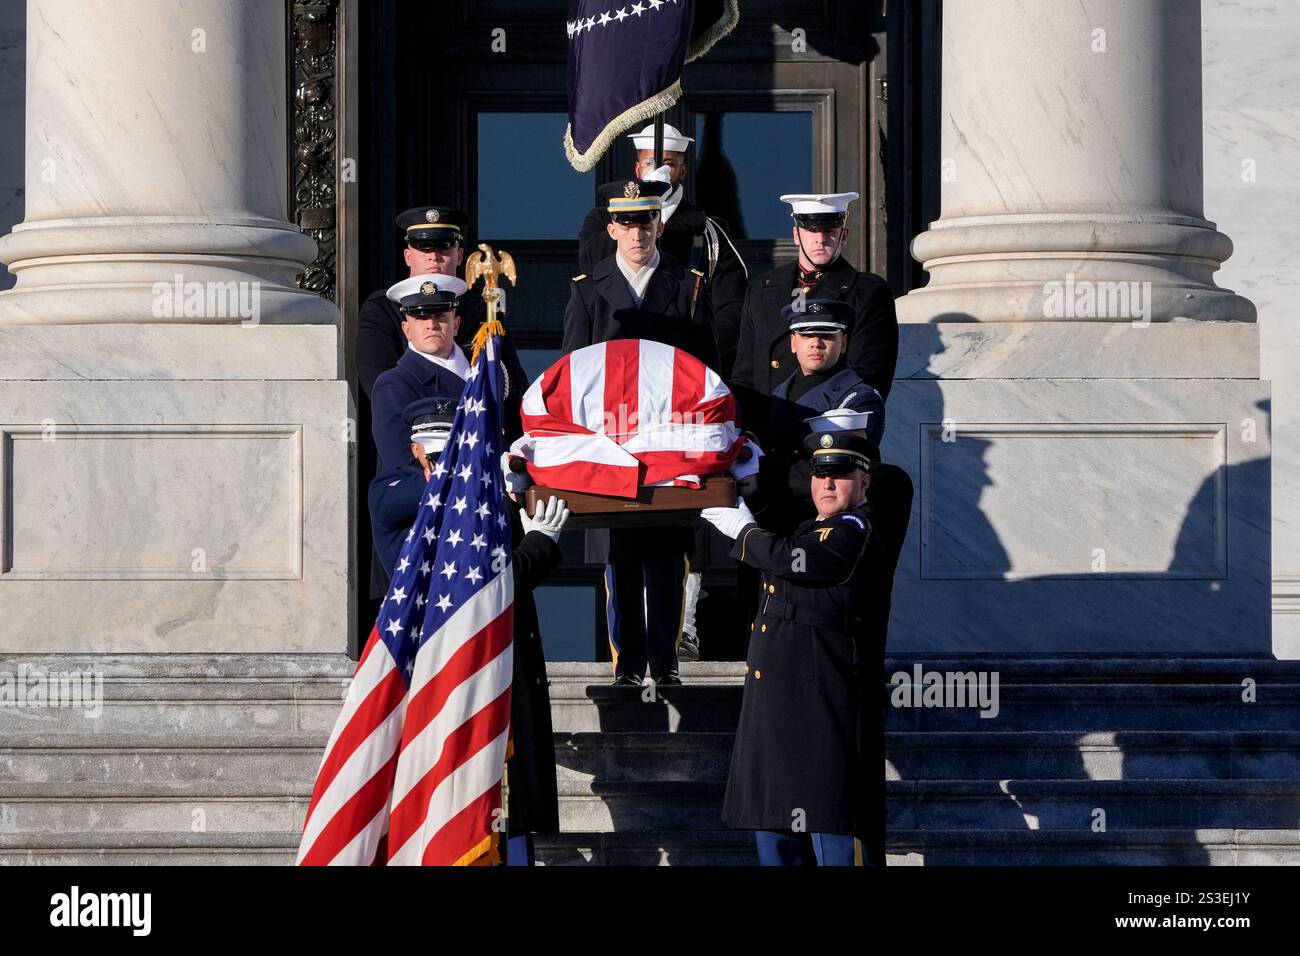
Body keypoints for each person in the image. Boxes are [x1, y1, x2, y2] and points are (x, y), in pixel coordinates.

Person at [367, 395, 572, 868]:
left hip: (500, 675)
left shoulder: (485, 499)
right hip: (443, 683)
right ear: (416, 451)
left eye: (457, 453)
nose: (451, 466)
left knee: (511, 817)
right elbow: (471, 593)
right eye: (440, 456)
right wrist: (538, 544)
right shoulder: (393, 492)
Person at [700, 425, 905, 867]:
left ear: (865, 481)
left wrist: (746, 533)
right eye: (819, 474)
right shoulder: (810, 528)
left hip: (821, 707)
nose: (827, 484)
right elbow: (789, 545)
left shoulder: (856, 529)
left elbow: (796, 560)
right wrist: (750, 476)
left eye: (840, 474)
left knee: (834, 834)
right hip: (778, 709)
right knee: (774, 832)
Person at [562, 179, 718, 686]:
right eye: (626, 223)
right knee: (622, 555)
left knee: (670, 554)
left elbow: (707, 365)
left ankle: (665, 661)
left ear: (659, 225)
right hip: (614, 443)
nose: (637, 232)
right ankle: (628, 665)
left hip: (672, 441)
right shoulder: (588, 288)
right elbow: (573, 371)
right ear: (611, 228)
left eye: (646, 221)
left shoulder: (688, 282)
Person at [576, 124, 747, 377]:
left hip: (681, 369)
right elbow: (590, 265)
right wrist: (632, 220)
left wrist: (693, 360)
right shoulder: (602, 219)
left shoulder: (707, 230)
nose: (659, 170)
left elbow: (732, 307)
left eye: (668, 164)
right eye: (650, 163)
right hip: (613, 369)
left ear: (682, 170)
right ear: (637, 168)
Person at [356, 205, 528, 437]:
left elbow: (511, 382)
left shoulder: (484, 312)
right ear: (408, 256)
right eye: (422, 246)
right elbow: (380, 387)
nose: (434, 255)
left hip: (481, 448)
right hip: (415, 448)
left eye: (444, 247)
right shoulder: (382, 310)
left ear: (459, 256)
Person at [731, 192, 898, 408]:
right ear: (796, 235)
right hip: (764, 429)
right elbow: (744, 374)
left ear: (844, 236)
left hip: (826, 428)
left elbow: (868, 376)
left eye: (829, 231)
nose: (820, 240)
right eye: (811, 231)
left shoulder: (868, 292)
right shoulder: (761, 287)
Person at [750, 298, 886, 536]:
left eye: (827, 336)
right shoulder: (779, 393)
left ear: (843, 342)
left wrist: (763, 473)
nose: (816, 344)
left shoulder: (859, 398)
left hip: (818, 525)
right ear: (793, 342)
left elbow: (841, 470)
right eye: (806, 335)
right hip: (769, 516)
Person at [370, 274, 472, 470]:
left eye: (440, 316)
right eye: (421, 317)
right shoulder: (394, 385)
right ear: (407, 330)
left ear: (456, 324)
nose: (431, 325)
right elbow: (402, 465)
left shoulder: (487, 367)